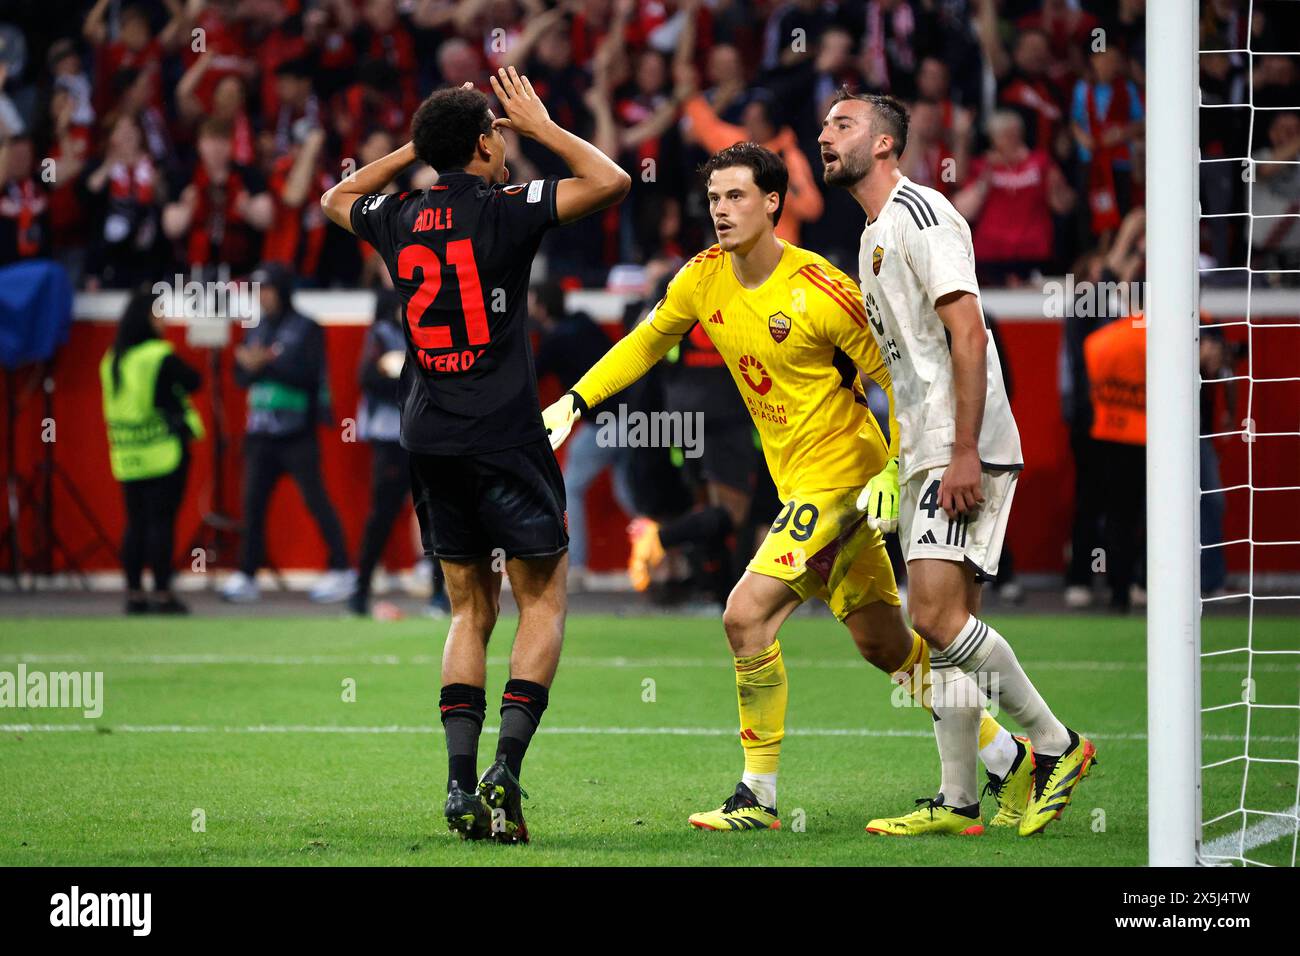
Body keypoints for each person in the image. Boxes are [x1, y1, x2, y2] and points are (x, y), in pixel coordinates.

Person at [544, 142, 1024, 835]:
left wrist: (893, 467)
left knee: (745, 616)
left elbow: (901, 380)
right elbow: (646, 343)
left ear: (774, 203)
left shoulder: (822, 289)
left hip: (845, 476)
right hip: (800, 478)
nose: (721, 211)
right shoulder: (703, 277)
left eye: (736, 197)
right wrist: (576, 401)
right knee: (885, 645)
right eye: (713, 199)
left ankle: (757, 795)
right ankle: (1010, 755)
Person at [320, 69, 630, 843]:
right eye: (496, 136)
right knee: (544, 599)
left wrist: (417, 151)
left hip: (429, 436)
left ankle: (459, 784)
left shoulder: (396, 216)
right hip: (506, 434)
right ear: (487, 142)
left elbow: (333, 199)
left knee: (468, 608)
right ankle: (506, 770)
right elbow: (612, 180)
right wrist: (543, 127)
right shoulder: (505, 210)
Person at [820, 88, 1096, 835]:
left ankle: (1056, 744)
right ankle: (959, 800)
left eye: (842, 124)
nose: (825, 134)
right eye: (825, 124)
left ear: (884, 144)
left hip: (958, 445)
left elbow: (970, 336)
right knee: (950, 626)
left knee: (934, 616)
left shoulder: (923, 214)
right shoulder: (872, 233)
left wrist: (966, 451)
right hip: (925, 446)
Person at [220, 263, 355, 604]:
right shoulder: (257, 328)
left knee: (316, 500)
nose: (262, 296)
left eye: (268, 289)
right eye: (258, 290)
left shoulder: (307, 327)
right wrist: (248, 367)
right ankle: (247, 574)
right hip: (260, 430)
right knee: (252, 505)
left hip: (297, 430)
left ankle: (342, 569)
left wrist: (266, 364)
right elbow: (241, 377)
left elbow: (309, 375)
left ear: (283, 290)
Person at [100, 286, 204, 615]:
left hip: (127, 454)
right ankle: (161, 592)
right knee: (161, 524)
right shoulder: (157, 356)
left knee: (135, 524)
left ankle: (133, 593)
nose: (164, 319)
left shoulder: (112, 359)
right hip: (162, 451)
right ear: (145, 318)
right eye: (158, 313)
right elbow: (193, 380)